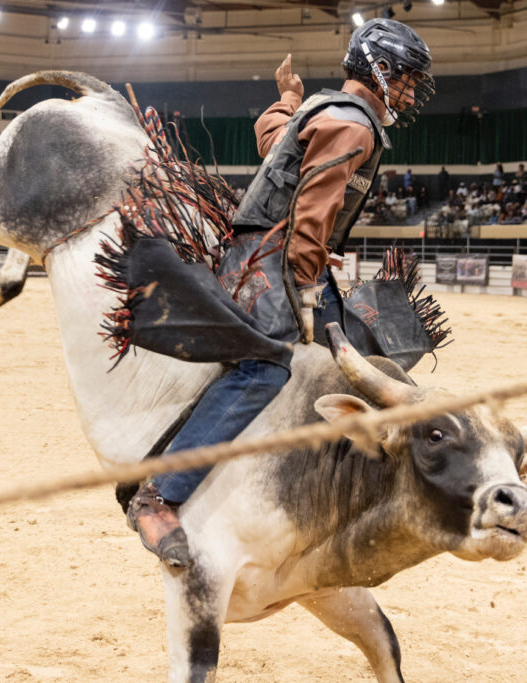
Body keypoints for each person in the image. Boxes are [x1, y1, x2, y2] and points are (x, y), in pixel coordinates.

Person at [127, 18, 434, 568]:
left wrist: (286, 99)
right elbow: (312, 215)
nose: (411, 91)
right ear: (381, 71)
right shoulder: (353, 127)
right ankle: (159, 495)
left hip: (273, 251)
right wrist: (310, 279)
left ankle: (342, 477)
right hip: (272, 261)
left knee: (364, 348)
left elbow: (274, 145)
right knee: (262, 369)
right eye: (407, 79)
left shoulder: (326, 111)